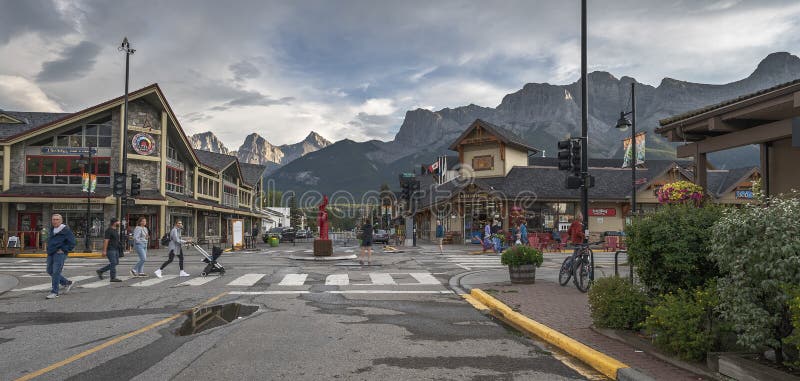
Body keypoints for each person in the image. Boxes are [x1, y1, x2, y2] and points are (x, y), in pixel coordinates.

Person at [45, 214, 76, 299]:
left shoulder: (66, 230)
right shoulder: (52, 229)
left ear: (61, 220)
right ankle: (66, 282)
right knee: (49, 270)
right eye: (53, 219)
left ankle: (55, 292)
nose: (55, 221)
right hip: (51, 252)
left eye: (57, 219)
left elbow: (72, 242)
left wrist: (64, 249)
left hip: (59, 254)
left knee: (56, 272)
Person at [96, 218, 124, 282]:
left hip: (116, 249)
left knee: (116, 262)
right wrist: (104, 251)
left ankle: (100, 271)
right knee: (113, 263)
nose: (119, 223)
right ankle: (113, 278)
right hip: (110, 249)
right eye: (118, 222)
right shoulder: (108, 230)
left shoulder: (115, 230)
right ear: (114, 223)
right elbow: (106, 241)